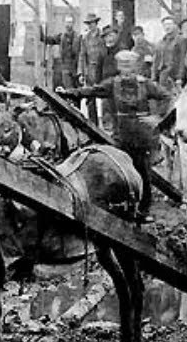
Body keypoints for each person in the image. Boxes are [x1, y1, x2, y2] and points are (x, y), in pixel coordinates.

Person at [57, 50, 171, 223]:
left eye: (130, 65)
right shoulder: (113, 84)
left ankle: (143, 210)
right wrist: (68, 92)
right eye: (123, 65)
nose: (126, 69)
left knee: (143, 171)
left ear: (136, 66)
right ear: (119, 67)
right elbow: (91, 91)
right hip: (122, 133)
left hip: (141, 134)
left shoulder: (145, 84)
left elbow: (167, 96)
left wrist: (156, 116)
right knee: (118, 167)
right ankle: (121, 203)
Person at [76, 12, 106, 125]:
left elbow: (106, 54)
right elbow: (82, 56)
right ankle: (94, 124)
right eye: (88, 24)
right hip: (90, 71)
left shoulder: (102, 36)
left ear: (96, 23)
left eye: (92, 23)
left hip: (102, 69)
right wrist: (81, 73)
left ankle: (107, 124)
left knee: (104, 96)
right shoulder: (85, 38)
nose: (90, 26)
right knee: (90, 97)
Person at [42, 14, 82, 89]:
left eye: (70, 22)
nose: (68, 25)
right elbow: (49, 40)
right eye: (67, 22)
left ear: (73, 24)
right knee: (68, 90)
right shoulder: (61, 37)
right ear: (64, 23)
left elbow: (81, 53)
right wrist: (40, 30)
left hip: (76, 69)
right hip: (65, 69)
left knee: (77, 91)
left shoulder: (78, 37)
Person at [152, 16, 185, 89]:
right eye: (165, 25)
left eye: (169, 24)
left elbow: (182, 59)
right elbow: (156, 60)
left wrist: (180, 77)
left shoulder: (180, 40)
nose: (167, 27)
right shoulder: (161, 42)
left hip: (174, 75)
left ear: (174, 25)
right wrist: (154, 77)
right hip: (163, 75)